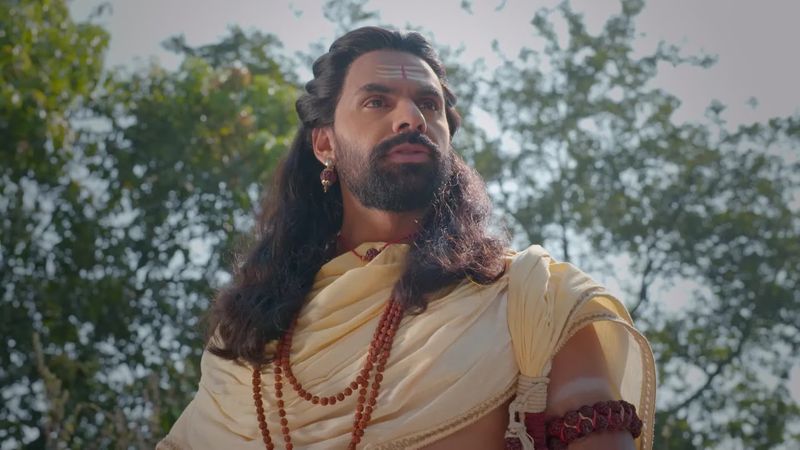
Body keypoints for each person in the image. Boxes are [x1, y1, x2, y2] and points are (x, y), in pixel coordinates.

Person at [158, 27, 656, 450]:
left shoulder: (535, 299)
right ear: (325, 143)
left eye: (428, 104)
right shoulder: (245, 338)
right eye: (377, 101)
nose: (412, 118)